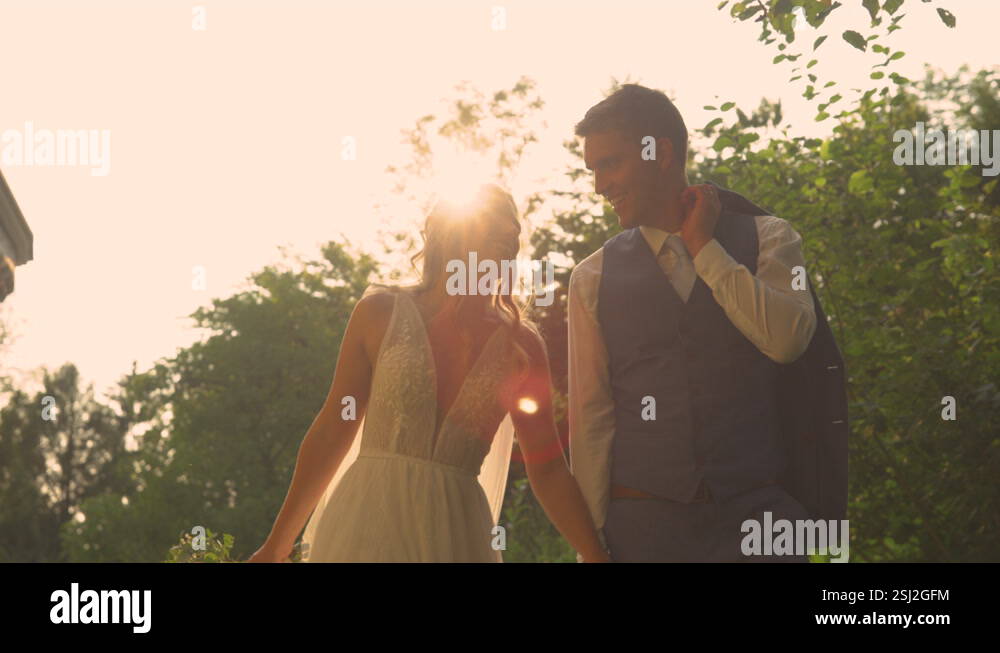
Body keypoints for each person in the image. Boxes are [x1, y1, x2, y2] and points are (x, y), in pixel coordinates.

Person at [250, 183, 610, 562]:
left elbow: (549, 467)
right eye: (492, 235)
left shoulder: (521, 346)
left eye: (512, 238)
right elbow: (332, 430)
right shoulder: (379, 314)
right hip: (366, 520)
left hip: (459, 533)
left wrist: (595, 555)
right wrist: (276, 546)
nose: (506, 248)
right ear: (450, 238)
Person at [568, 84, 819, 562]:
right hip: (642, 532)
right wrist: (590, 548)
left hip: (760, 528)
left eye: (610, 164)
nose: (600, 185)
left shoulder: (771, 238)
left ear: (659, 153)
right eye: (593, 170)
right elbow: (591, 418)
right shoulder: (591, 278)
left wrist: (705, 249)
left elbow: (787, 342)